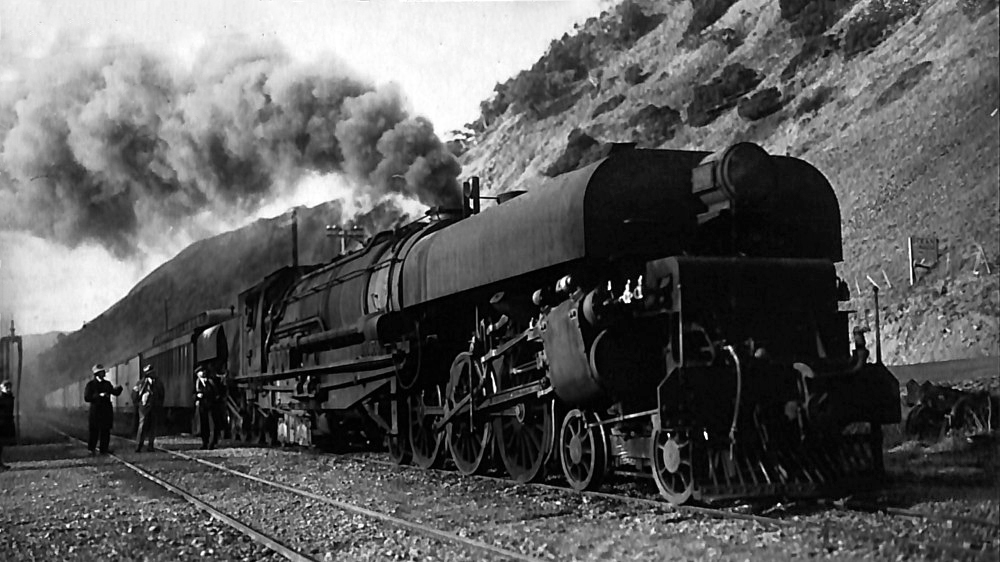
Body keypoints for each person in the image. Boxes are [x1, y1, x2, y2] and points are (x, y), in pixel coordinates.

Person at [84, 364, 123, 455]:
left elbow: (114, 392)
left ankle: (104, 449)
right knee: (94, 431)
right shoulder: (90, 385)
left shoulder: (107, 384)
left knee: (105, 431)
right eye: (102, 372)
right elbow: (87, 397)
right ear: (97, 374)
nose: (104, 373)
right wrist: (98, 396)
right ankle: (91, 449)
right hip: (95, 411)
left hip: (106, 411)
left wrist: (119, 389)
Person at [135, 364, 165, 452]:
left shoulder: (158, 383)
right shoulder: (141, 383)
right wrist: (139, 404)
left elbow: (162, 394)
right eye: (150, 373)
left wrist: (160, 404)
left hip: (155, 407)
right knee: (142, 426)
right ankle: (138, 446)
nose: (153, 374)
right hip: (144, 408)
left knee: (153, 426)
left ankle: (150, 446)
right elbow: (135, 394)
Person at [194, 367, 222, 449]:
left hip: (211, 406)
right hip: (202, 407)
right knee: (204, 425)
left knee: (212, 425)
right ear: (197, 374)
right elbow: (192, 394)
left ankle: (211, 443)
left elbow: (216, 394)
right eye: (200, 372)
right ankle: (204, 442)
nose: (202, 373)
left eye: (203, 371)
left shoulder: (210, 382)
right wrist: (197, 396)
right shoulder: (197, 383)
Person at [0, 380, 15, 470]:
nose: (8, 389)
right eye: (6, 387)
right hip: (1, 423)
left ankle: (1, 464)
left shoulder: (9, 397)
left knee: (1, 445)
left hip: (4, 423)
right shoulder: (2, 398)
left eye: (9, 387)